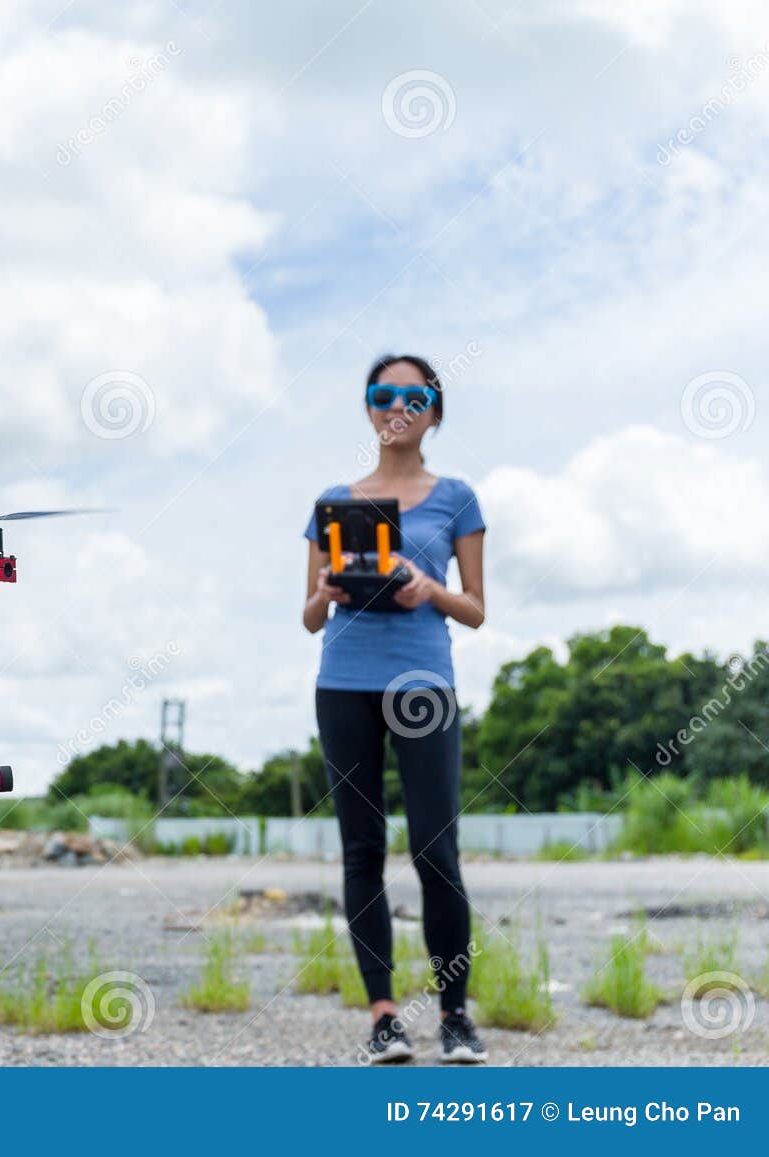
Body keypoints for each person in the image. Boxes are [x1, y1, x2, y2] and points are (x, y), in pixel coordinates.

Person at [301, 353, 487, 1064]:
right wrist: (329, 588)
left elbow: (474, 610)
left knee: (436, 850)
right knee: (361, 849)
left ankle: (455, 1014)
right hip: (344, 683)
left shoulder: (458, 499)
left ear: (434, 413)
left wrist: (424, 587)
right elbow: (309, 617)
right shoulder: (333, 501)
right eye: (384, 394)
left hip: (423, 686)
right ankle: (383, 1015)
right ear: (370, 408)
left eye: (415, 396)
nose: (398, 405)